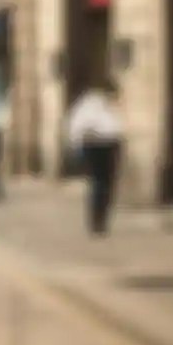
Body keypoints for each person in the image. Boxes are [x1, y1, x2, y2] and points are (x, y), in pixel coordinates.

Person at [66, 80, 124, 235]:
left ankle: (102, 219)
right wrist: (77, 147)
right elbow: (78, 126)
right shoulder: (90, 105)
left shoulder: (111, 107)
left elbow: (118, 127)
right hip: (96, 145)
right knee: (99, 183)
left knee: (107, 185)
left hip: (109, 145)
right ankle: (96, 220)